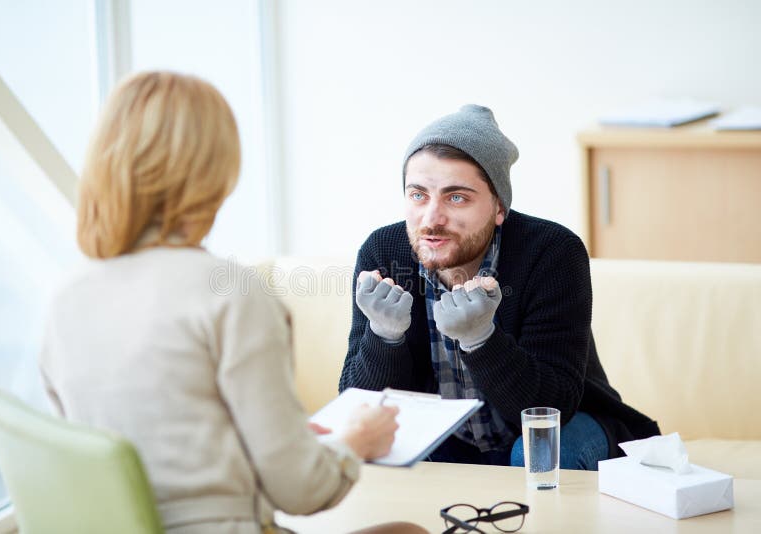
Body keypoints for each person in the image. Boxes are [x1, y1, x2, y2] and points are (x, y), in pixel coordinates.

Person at [39, 71, 427, 534]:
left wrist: (275, 441)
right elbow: (302, 491)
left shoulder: (64, 297)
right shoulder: (230, 293)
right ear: (216, 171)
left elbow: (140, 447)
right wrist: (357, 443)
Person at [339, 104, 660, 469]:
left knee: (538, 450)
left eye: (456, 197)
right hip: (449, 438)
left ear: (498, 208)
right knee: (386, 450)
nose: (431, 218)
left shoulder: (552, 253)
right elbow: (358, 409)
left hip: (563, 424)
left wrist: (482, 340)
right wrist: (384, 337)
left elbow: (553, 406)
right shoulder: (383, 252)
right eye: (418, 195)